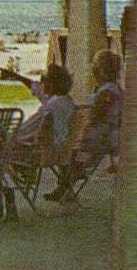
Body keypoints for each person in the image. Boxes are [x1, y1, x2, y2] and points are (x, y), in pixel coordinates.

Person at [46, 50, 123, 201]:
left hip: (99, 138)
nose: (92, 69)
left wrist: (78, 123)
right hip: (100, 135)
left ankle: (66, 186)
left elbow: (96, 115)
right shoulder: (110, 89)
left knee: (65, 145)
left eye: (95, 66)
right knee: (66, 142)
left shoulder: (108, 92)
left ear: (101, 70)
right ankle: (65, 188)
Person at [0, 63, 76, 161]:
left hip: (38, 151)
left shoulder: (50, 108)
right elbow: (36, 87)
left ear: (50, 85)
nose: (41, 84)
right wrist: (15, 76)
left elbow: (25, 131)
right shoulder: (67, 102)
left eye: (43, 81)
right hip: (61, 149)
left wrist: (5, 134)